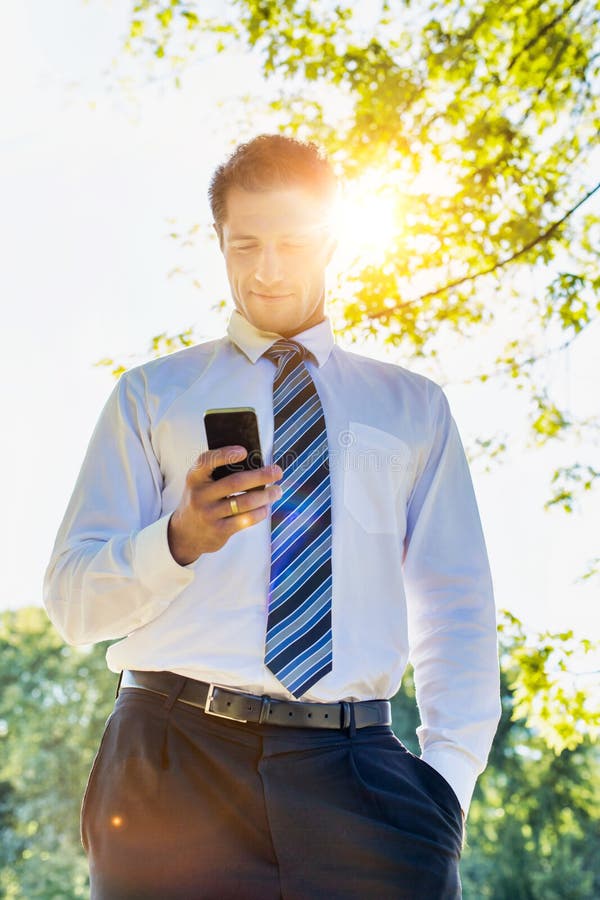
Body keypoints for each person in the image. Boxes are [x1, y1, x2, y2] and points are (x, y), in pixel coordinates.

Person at [43, 133, 502, 899]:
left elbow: (457, 603)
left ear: (332, 241)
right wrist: (178, 540)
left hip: (362, 775)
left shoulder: (412, 406)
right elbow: (72, 606)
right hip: (171, 762)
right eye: (244, 244)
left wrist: (447, 781)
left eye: (290, 243)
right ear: (218, 242)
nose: (266, 269)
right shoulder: (152, 396)